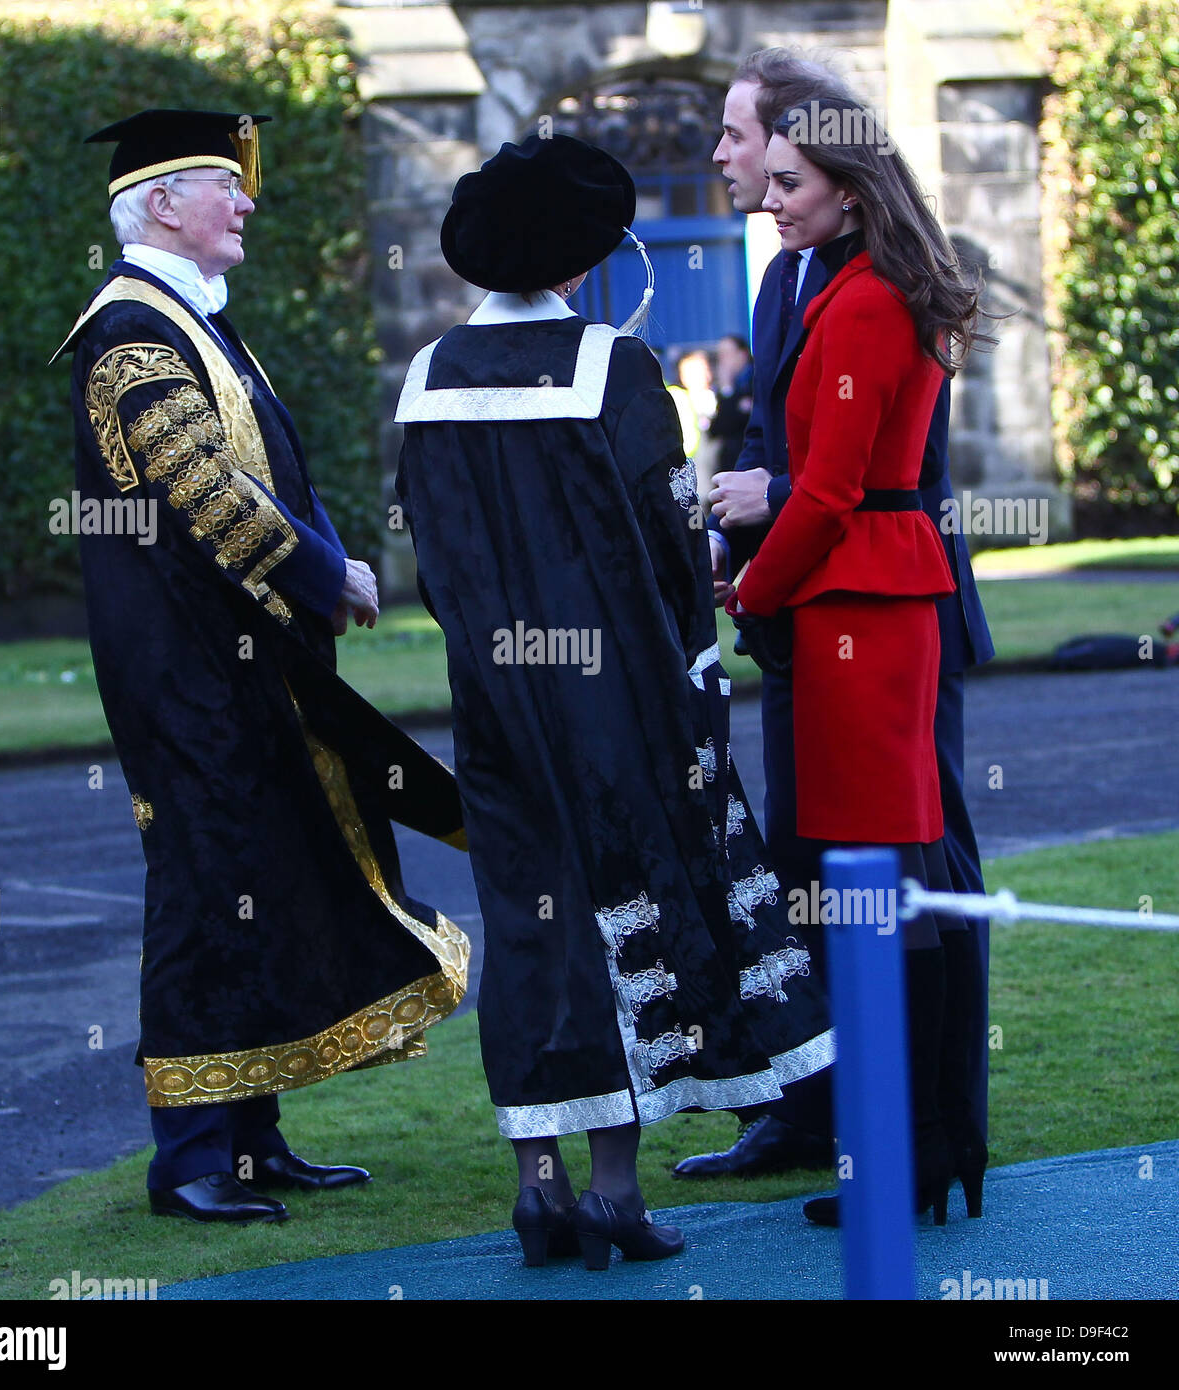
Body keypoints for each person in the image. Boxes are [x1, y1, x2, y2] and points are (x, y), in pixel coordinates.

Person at [394, 132, 834, 1269]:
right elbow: (670, 539)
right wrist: (694, 658)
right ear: (580, 258)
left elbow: (432, 565)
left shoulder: (427, 374)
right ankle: (613, 1189)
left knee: (532, 925)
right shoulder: (615, 368)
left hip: (493, 705)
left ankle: (536, 1183)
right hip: (617, 704)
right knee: (625, 911)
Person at [54, 108, 470, 1224]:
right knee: (201, 891)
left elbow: (269, 468)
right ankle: (187, 1154)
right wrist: (325, 574)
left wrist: (326, 563)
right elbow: (199, 492)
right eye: (220, 187)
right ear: (156, 205)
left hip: (240, 666)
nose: (245, 202)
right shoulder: (130, 332)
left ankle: (250, 1141)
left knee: (262, 878)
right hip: (184, 674)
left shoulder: (196, 318)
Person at [676, 49, 994, 1193]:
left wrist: (751, 586)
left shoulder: (871, 294)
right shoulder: (792, 280)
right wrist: (746, 552)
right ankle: (857, 1125)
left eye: (763, 157)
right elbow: (787, 461)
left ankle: (935, 1131)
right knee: (833, 869)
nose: (746, 176)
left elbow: (836, 486)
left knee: (904, 875)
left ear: (837, 179)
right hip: (826, 608)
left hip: (875, 607)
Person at [707, 333, 754, 472]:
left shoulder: (755, 382)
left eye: (726, 354)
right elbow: (717, 428)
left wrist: (728, 390)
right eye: (719, 356)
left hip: (749, 463)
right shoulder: (726, 387)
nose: (722, 361)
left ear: (742, 354)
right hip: (731, 463)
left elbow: (739, 423)